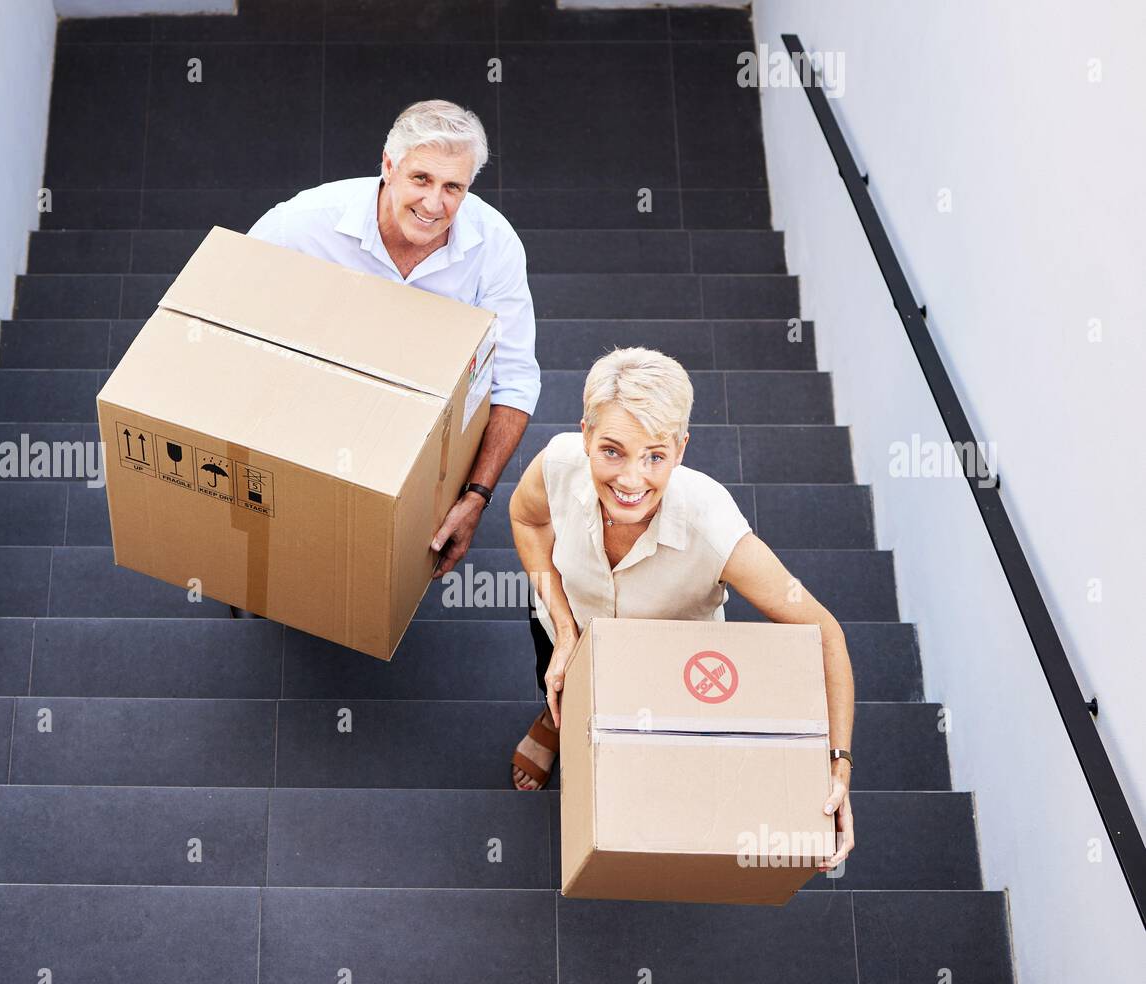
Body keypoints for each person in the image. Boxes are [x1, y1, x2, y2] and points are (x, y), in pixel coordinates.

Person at [508, 347, 856, 870]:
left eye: (654, 455)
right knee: (556, 682)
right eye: (611, 451)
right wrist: (562, 626)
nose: (631, 480)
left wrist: (837, 765)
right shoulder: (558, 462)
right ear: (585, 435)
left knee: (656, 776)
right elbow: (527, 521)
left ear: (681, 448)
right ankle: (554, 721)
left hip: (671, 670)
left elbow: (825, 633)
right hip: (567, 628)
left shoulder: (713, 527)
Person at [247, 98, 539, 586]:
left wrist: (475, 498)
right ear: (388, 166)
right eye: (421, 179)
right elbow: (225, 300)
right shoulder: (304, 221)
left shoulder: (495, 247)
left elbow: (514, 379)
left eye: (453, 187)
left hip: (418, 421)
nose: (434, 205)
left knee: (375, 560)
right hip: (313, 396)